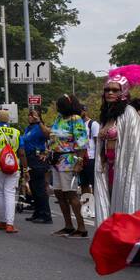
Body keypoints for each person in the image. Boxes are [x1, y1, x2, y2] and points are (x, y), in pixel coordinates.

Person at [93, 67, 140, 235]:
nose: (110, 93)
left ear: (123, 92)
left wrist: (127, 171)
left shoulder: (129, 113)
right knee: (113, 204)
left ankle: (134, 240)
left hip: (127, 170)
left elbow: (136, 147)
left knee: (127, 203)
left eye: (115, 90)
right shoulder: (107, 115)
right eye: (107, 90)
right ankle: (115, 238)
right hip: (110, 168)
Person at [48, 95, 89, 238]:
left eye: (60, 105)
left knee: (71, 193)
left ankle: (81, 227)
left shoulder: (75, 119)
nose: (58, 107)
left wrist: (79, 162)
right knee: (59, 193)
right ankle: (68, 225)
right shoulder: (59, 118)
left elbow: (82, 142)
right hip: (56, 159)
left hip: (69, 159)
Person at [21, 106, 53, 224]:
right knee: (33, 188)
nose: (30, 117)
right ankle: (37, 212)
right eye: (29, 115)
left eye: (33, 115)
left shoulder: (40, 127)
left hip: (37, 158)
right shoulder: (28, 128)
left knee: (39, 188)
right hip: (29, 158)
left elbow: (47, 135)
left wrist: (39, 121)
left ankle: (46, 214)